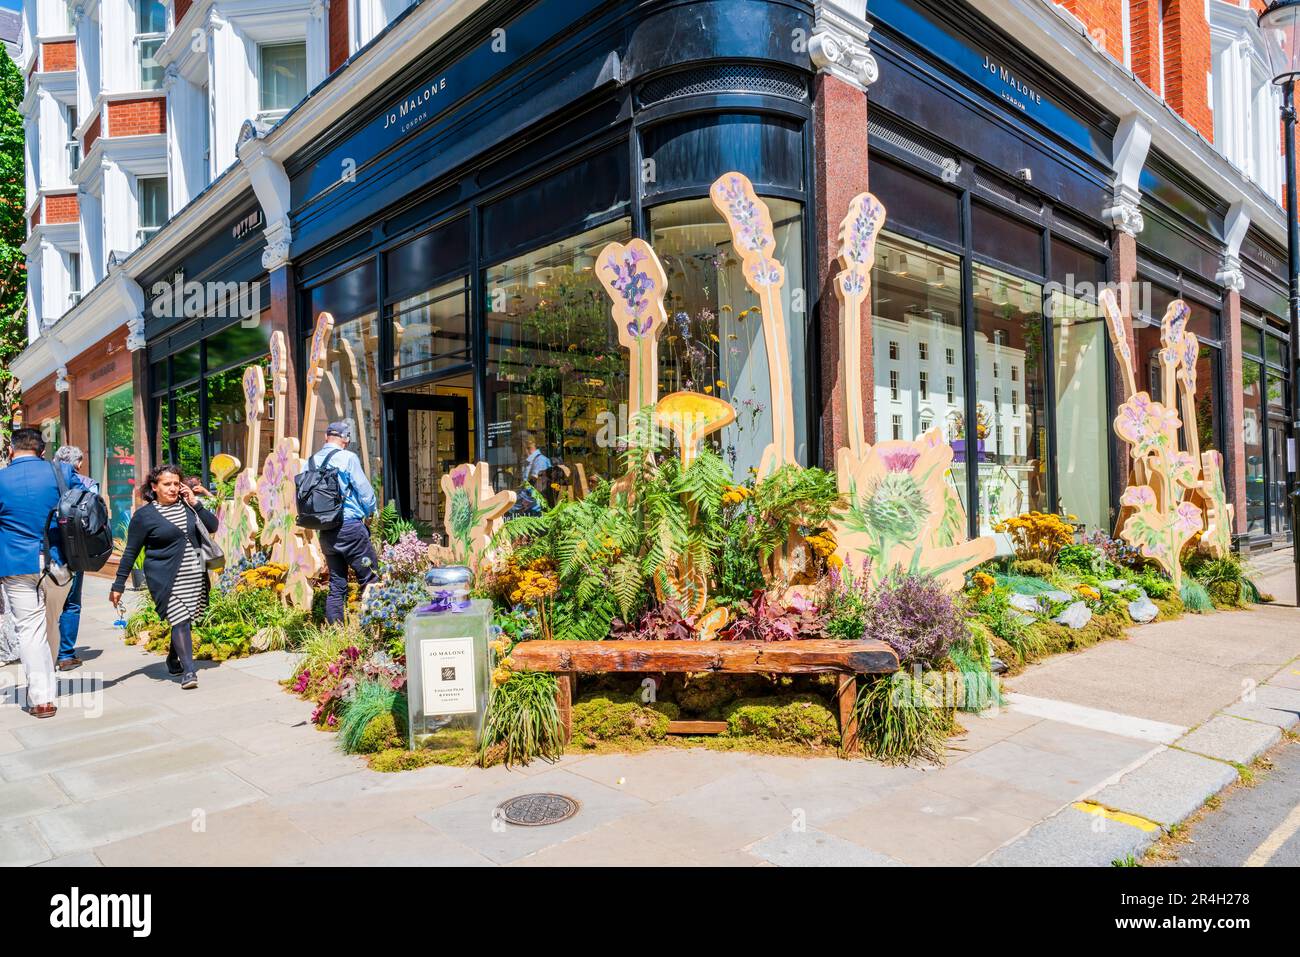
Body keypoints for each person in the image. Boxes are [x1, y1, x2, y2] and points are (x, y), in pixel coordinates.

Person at [109, 465, 219, 690]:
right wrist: (118, 583)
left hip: (194, 573)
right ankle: (189, 671)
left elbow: (213, 525)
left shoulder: (188, 507)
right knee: (179, 617)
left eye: (176, 484)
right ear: (154, 487)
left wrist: (195, 502)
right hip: (164, 576)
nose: (172, 488)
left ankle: (172, 658)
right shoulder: (144, 516)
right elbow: (130, 552)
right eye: (167, 484)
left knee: (186, 619)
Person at [0, 428, 81, 718]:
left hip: (17, 564)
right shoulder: (62, 471)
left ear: (11, 450)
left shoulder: (1, 479)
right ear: (42, 450)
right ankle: (48, 683)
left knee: (29, 631)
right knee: (51, 623)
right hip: (59, 562)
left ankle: (43, 698)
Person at [312, 421, 377, 623]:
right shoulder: (348, 458)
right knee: (371, 578)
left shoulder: (312, 461)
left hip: (326, 532)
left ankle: (336, 634)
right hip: (350, 529)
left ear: (326, 437)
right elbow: (365, 492)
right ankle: (374, 630)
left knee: (337, 584)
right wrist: (371, 512)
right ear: (346, 439)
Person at [52, 446, 99, 672]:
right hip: (70, 550)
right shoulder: (78, 480)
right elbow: (92, 507)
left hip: (40, 550)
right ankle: (65, 654)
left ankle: (45, 651)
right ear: (75, 463)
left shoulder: (41, 476)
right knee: (70, 603)